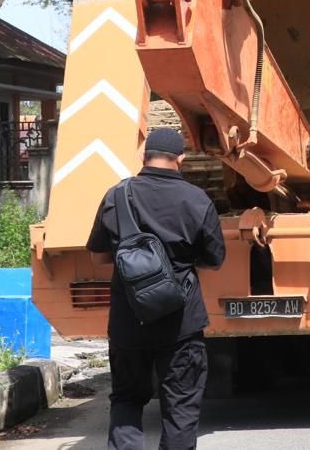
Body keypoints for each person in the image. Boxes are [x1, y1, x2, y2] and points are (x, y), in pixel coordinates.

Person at [87, 128, 226, 450]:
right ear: (181, 158)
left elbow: (98, 256)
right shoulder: (196, 199)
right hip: (181, 321)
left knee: (126, 398)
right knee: (181, 404)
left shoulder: (116, 195)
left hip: (128, 318)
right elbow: (215, 260)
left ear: (143, 156)